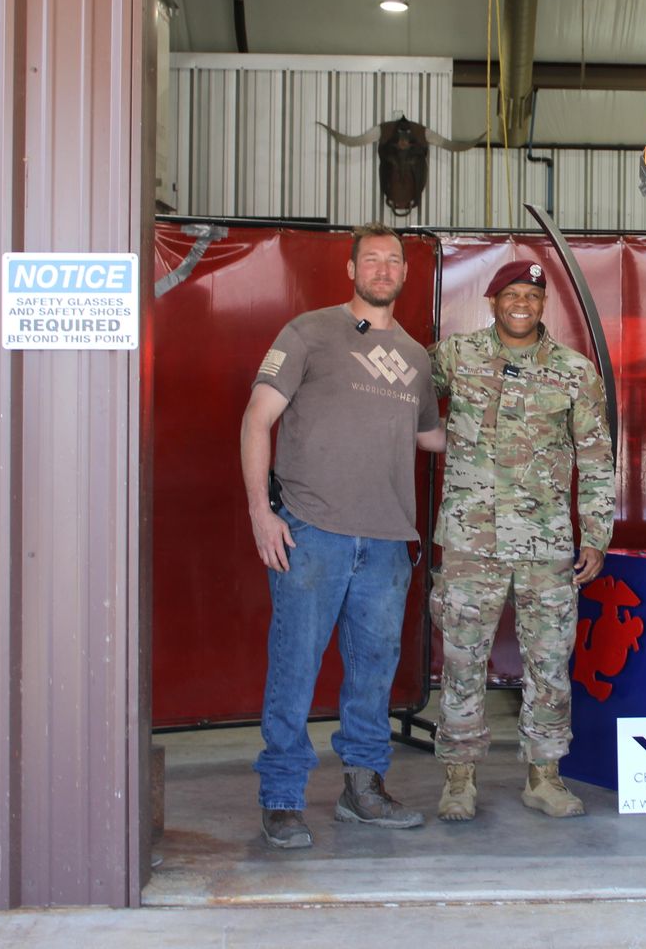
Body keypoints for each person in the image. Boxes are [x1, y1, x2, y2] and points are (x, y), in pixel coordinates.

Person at [241, 222, 447, 850]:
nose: (383, 270)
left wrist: (515, 429)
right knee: (295, 668)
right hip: (312, 532)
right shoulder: (308, 333)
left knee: (373, 673)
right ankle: (281, 798)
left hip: (387, 540)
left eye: (393, 261)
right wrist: (260, 512)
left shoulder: (415, 356)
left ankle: (364, 789)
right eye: (372, 260)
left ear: (406, 274)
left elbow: (432, 437)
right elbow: (256, 420)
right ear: (351, 269)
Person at [428, 259, 615, 822]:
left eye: (532, 296)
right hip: (470, 541)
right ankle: (459, 779)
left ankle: (544, 774)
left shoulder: (574, 372)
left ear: (542, 305)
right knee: (462, 660)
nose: (521, 305)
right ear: (492, 301)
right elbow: (397, 395)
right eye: (511, 295)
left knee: (550, 663)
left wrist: (597, 532)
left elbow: (597, 459)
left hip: (547, 545)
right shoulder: (456, 356)